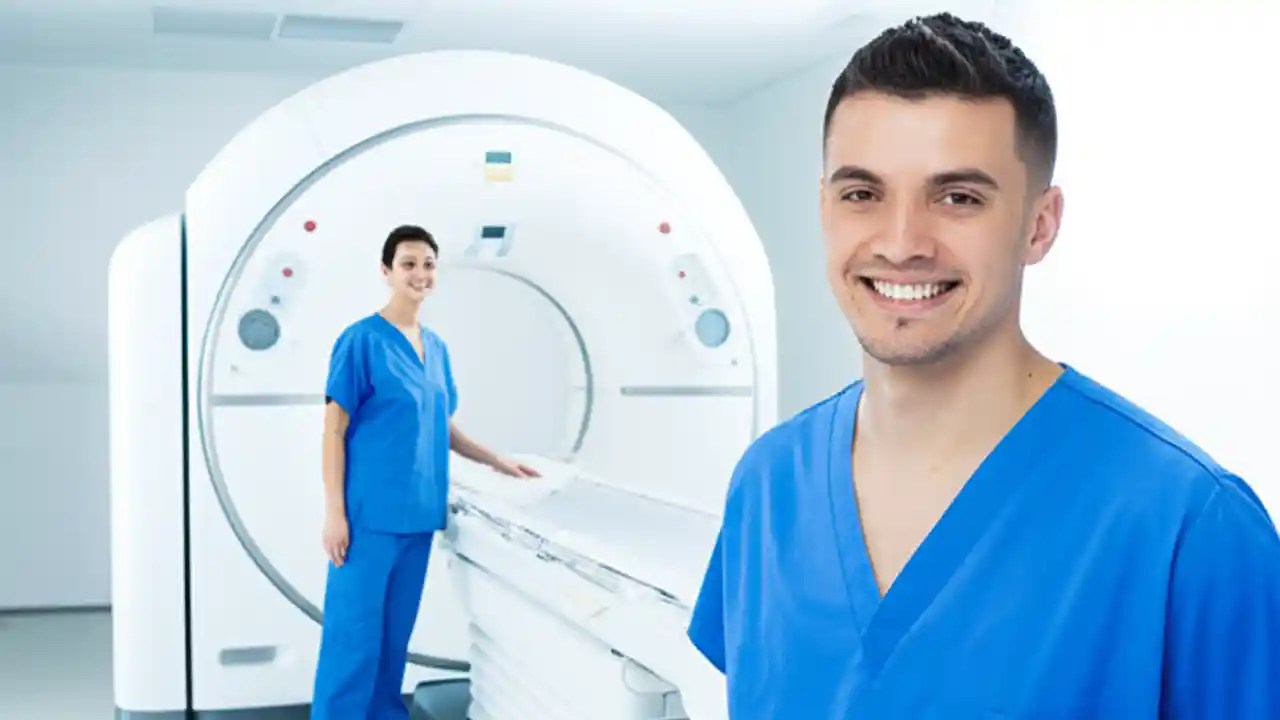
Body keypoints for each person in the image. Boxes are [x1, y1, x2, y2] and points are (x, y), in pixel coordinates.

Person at [686, 12, 1280, 719]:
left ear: (1040, 224)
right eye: (862, 194)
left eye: (958, 198)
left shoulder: (1189, 528)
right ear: (825, 209)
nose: (902, 242)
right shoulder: (767, 486)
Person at [311, 224, 539, 719]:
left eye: (429, 264)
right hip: (366, 520)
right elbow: (333, 431)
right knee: (352, 645)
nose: (420, 273)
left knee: (393, 644)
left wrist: (497, 459)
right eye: (409, 264)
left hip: (417, 517)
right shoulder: (360, 341)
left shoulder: (435, 347)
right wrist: (334, 513)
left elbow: (441, 426)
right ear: (387, 272)